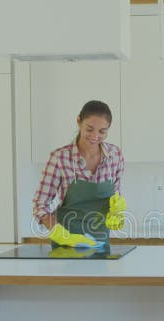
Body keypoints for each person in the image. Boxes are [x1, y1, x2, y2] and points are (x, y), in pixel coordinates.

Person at [32, 100, 126, 248]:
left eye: (102, 131)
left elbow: (116, 196)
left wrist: (117, 212)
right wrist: (60, 234)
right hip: (67, 244)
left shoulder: (115, 155)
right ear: (79, 122)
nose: (95, 136)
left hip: (100, 243)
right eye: (89, 129)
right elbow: (40, 205)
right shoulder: (60, 158)